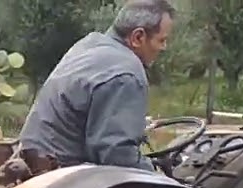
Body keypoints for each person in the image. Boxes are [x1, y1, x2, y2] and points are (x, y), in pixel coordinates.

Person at [17, 0, 175, 173]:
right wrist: (158, 175)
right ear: (138, 37)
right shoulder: (126, 73)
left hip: (31, 160)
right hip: (61, 174)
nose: (164, 47)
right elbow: (117, 156)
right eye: (162, 40)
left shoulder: (90, 44)